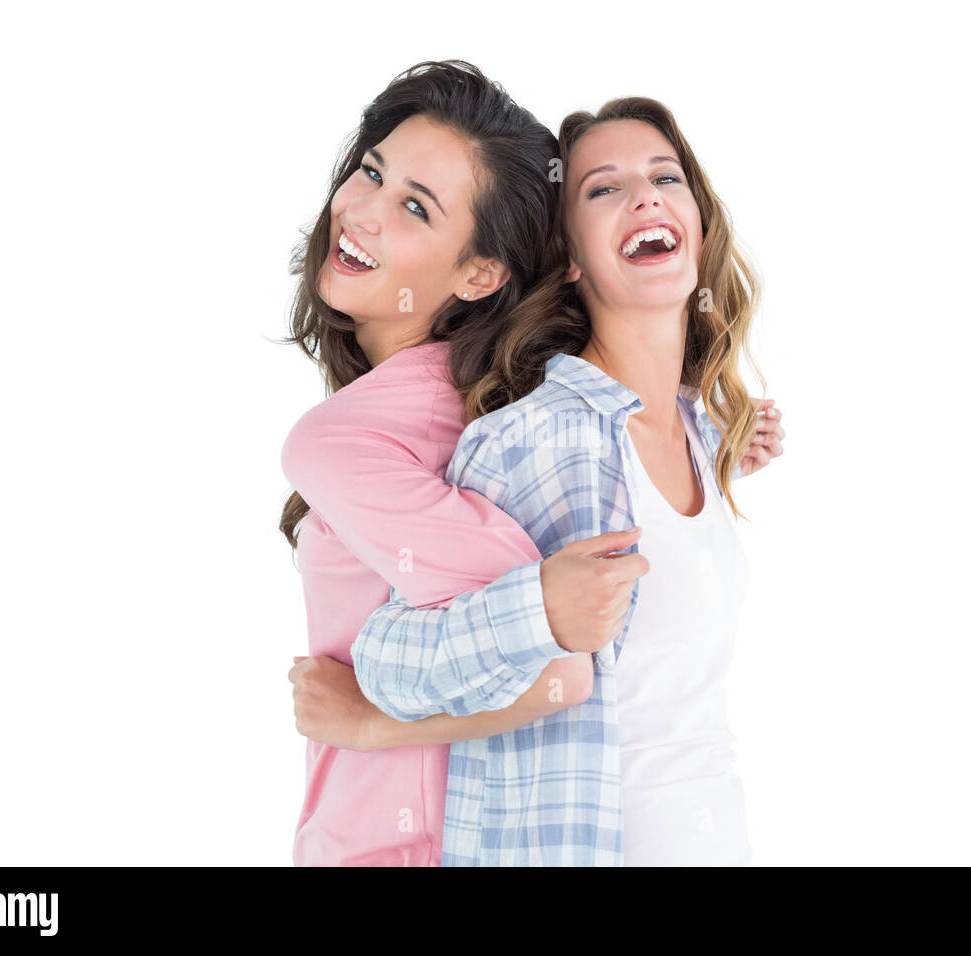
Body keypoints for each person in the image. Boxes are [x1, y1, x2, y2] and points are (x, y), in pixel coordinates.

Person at [333, 96, 782, 866]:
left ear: (698, 224)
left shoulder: (695, 428)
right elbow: (386, 660)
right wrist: (536, 611)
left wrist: (732, 436)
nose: (644, 197)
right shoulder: (530, 437)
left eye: (665, 178)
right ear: (570, 257)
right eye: (604, 188)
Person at [279, 61, 669, 866]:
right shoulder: (485, 398)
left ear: (481, 274)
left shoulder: (341, 438)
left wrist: (366, 724)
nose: (362, 212)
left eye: (415, 207)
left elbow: (561, 670)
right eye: (371, 172)